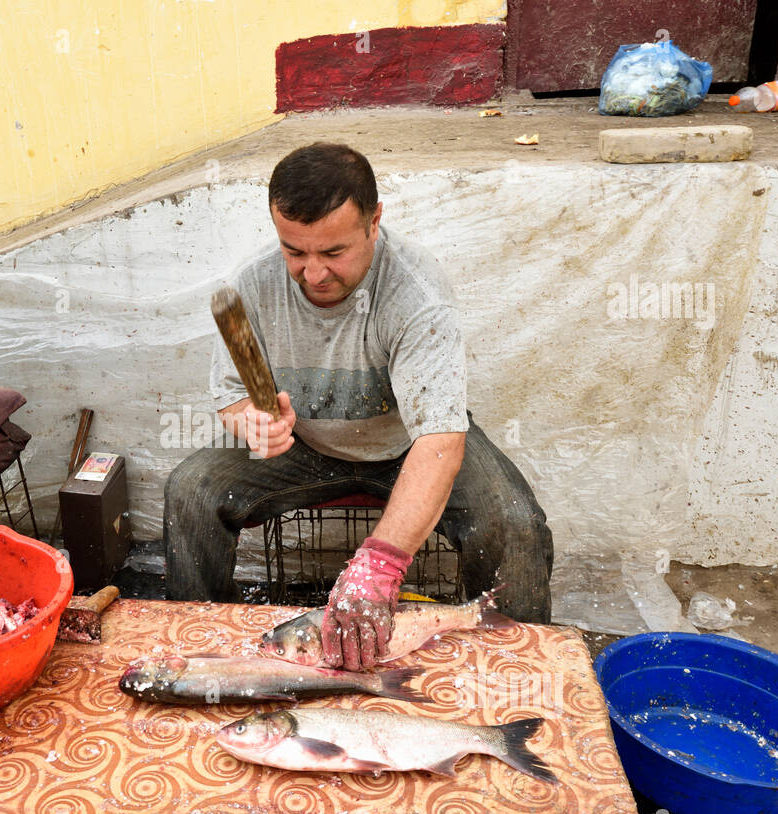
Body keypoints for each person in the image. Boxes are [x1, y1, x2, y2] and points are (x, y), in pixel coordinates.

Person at [164, 143, 553, 671]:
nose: (314, 274)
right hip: (307, 447)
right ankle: (202, 661)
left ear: (375, 222)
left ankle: (516, 675)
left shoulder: (416, 293)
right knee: (192, 489)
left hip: (407, 446)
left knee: (515, 525)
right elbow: (232, 394)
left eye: (333, 252)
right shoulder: (250, 284)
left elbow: (440, 441)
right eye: (294, 252)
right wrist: (252, 422)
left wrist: (380, 565)